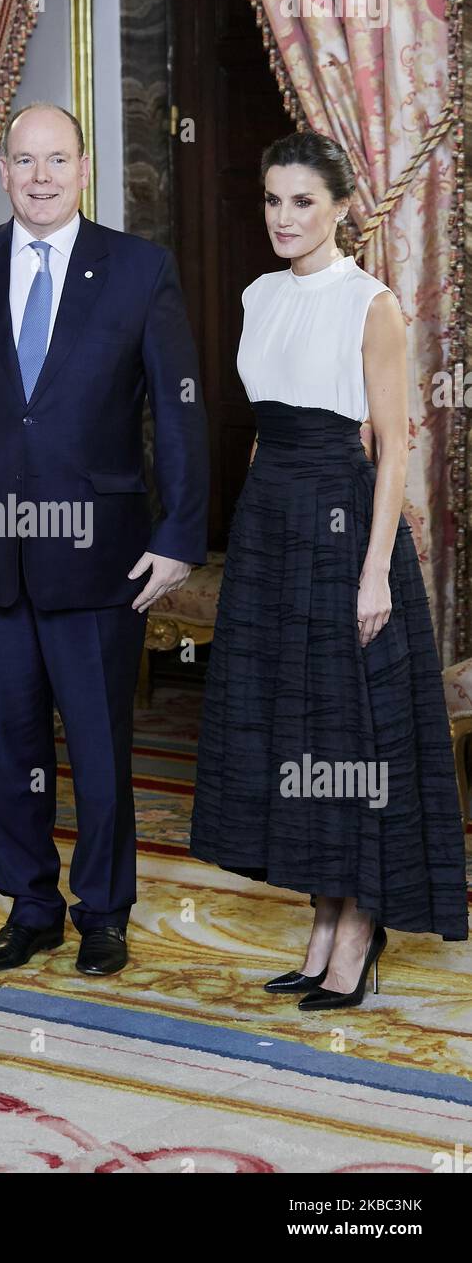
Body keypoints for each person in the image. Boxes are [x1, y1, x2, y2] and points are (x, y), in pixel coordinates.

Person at [0, 102, 208, 976]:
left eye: (57, 160)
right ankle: (31, 905)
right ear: (3, 173)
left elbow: (180, 411)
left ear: (85, 169)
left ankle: (105, 912)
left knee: (100, 746)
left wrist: (181, 534)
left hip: (101, 551)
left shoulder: (139, 269)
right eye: (24, 161)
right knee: (3, 745)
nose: (40, 176)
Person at [189, 129, 468, 1010]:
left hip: (346, 531)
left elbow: (393, 453)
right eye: (273, 199)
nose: (283, 216)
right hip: (270, 526)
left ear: (343, 207)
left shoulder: (371, 303)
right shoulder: (256, 294)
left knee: (349, 739)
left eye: (302, 200)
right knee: (292, 732)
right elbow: (267, 431)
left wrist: (376, 571)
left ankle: (357, 927)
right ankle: (321, 917)